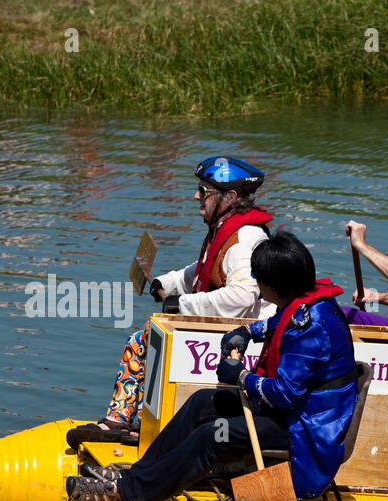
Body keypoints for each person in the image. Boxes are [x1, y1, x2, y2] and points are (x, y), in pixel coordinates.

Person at [65, 232, 358, 501]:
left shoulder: (311, 327)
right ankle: (137, 474)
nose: (256, 285)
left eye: (259, 279)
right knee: (202, 402)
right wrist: (248, 332)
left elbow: (284, 395)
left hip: (303, 426)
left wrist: (241, 375)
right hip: (292, 411)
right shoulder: (304, 302)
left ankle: (130, 493)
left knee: (212, 436)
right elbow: (277, 323)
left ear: (274, 285)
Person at [67, 156, 275, 448]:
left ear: (229, 197)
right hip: (227, 331)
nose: (196, 196)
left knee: (142, 342)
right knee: (149, 338)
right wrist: (164, 284)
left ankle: (120, 421)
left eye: (204, 191)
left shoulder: (244, 239)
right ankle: (138, 419)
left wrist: (183, 303)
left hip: (245, 340)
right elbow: (200, 269)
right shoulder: (226, 228)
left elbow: (242, 297)